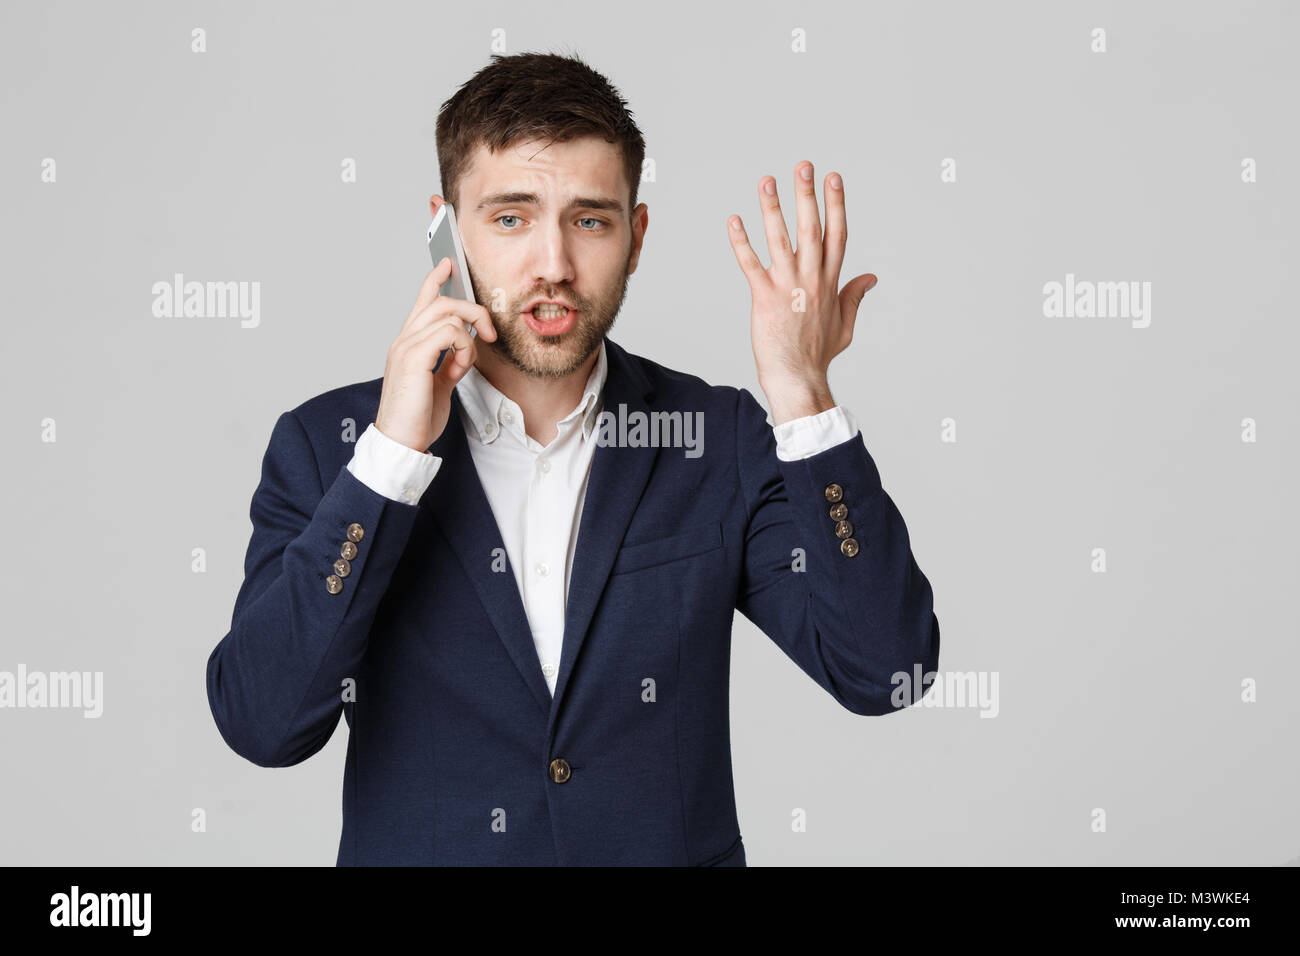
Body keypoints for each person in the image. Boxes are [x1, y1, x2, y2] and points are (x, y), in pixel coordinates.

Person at [205, 50, 940, 866]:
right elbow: (264, 724)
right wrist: (389, 461)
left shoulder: (716, 437)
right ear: (445, 233)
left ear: (635, 238)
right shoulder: (329, 448)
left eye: (589, 220)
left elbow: (885, 672)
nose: (552, 265)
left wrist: (803, 393)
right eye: (510, 218)